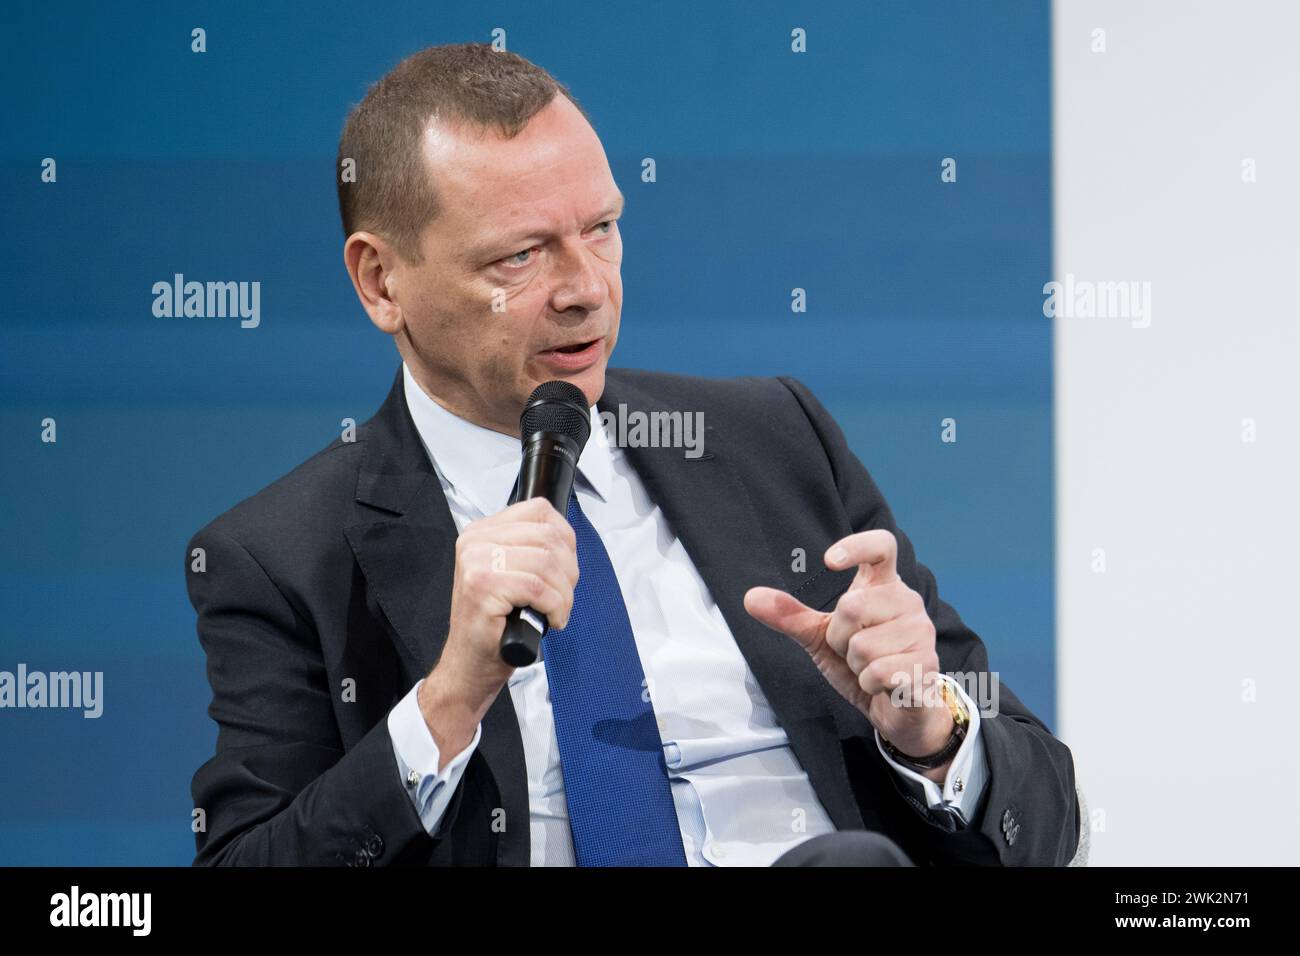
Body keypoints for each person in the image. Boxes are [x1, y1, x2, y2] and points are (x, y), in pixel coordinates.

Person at [186, 42, 1080, 867]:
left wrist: (934, 735)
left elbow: (1050, 820)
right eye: (520, 256)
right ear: (382, 282)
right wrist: (448, 700)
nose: (585, 289)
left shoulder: (774, 437)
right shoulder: (282, 558)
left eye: (602, 229)